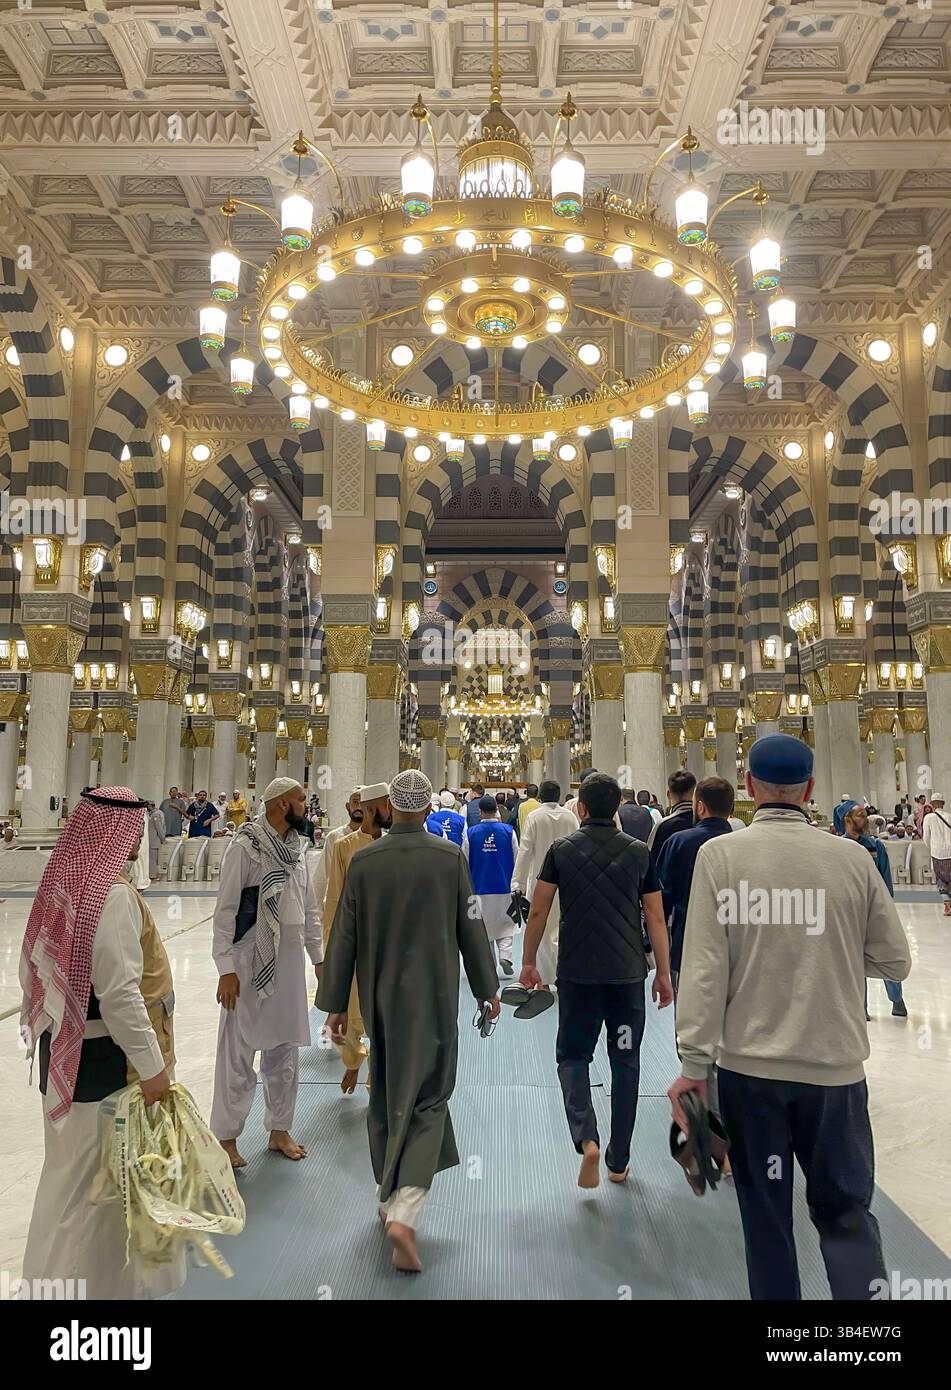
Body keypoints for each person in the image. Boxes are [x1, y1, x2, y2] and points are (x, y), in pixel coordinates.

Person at [668, 734, 911, 1301]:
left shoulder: (721, 856)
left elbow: (705, 969)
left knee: (768, 1220)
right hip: (835, 1074)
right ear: (811, 789)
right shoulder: (850, 858)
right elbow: (894, 958)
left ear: (750, 788)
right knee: (847, 1214)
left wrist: (694, 1067)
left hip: (752, 1075)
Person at [321, 768, 500, 1274]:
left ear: (389, 808)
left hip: (380, 1001)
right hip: (436, 997)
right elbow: (471, 924)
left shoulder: (366, 862)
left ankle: (388, 1193)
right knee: (429, 1101)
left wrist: (336, 1003)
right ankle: (405, 1211)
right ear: (425, 810)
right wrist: (487, 988)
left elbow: (344, 936)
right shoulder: (449, 858)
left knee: (386, 1093)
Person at [19, 786, 182, 1298]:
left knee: (69, 1182)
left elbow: (34, 974)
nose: (137, 837)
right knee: (90, 1196)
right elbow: (121, 998)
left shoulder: (63, 885)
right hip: (104, 1066)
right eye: (132, 828)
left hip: (65, 1056)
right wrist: (154, 1071)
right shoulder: (110, 898)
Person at [520, 773, 672, 1188]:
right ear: (617, 808)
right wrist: (662, 971)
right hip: (625, 977)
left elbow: (539, 910)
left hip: (577, 973)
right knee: (625, 1061)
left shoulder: (562, 851)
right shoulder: (639, 852)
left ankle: (586, 1137)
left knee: (573, 1056)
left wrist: (529, 961)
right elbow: (655, 917)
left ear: (581, 809)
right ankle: (619, 1160)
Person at [210, 777, 321, 1168]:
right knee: (238, 1054)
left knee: (284, 1050)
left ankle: (279, 1129)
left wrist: (318, 958)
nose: (306, 807)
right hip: (246, 963)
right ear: (280, 805)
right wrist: (225, 969)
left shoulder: (298, 850)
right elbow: (224, 911)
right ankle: (226, 1137)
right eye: (301, 800)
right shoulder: (246, 847)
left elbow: (309, 911)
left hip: (288, 966)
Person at [321, 783, 392, 1093]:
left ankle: (377, 1077)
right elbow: (334, 899)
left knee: (385, 1015)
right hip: (354, 943)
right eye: (388, 805)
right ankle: (353, 1061)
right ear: (372, 808)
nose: (393, 811)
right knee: (350, 1016)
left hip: (387, 945)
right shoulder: (344, 846)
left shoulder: (393, 846)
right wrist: (330, 949)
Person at [656, 776, 735, 988]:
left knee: (689, 1012)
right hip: (735, 945)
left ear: (700, 807)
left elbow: (661, 902)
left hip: (688, 941)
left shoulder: (678, 842)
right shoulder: (742, 843)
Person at [834, 798, 908, 1019]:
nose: (865, 817)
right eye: (859, 814)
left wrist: (887, 909)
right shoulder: (837, 849)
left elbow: (885, 881)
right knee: (854, 961)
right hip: (850, 914)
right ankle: (861, 1006)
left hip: (875, 912)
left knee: (884, 954)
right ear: (846, 820)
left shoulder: (876, 847)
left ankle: (897, 1000)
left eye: (864, 813)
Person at [511, 779, 577, 989]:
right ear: (558, 796)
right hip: (568, 881)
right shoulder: (570, 816)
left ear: (539, 796)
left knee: (539, 928)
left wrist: (517, 883)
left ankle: (543, 981)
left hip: (540, 882)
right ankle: (563, 975)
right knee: (564, 928)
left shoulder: (534, 817)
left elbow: (525, 851)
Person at [464, 794, 517, 975]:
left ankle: (490, 962)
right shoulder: (509, 832)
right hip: (504, 884)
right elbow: (517, 858)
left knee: (483, 928)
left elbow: (464, 859)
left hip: (478, 887)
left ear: (480, 812)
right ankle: (506, 955)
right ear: (496, 810)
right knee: (506, 923)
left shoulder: (470, 833)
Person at [311, 788, 364, 945]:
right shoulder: (335, 837)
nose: (359, 807)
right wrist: (316, 919)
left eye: (362, 803)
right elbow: (322, 877)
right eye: (355, 802)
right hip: (337, 912)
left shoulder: (377, 839)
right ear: (348, 806)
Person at [922, 792, 951, 916]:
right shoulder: (949, 816)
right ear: (942, 804)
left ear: (932, 804)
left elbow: (926, 838)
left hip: (938, 853)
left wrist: (932, 848)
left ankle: (947, 906)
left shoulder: (928, 817)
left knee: (941, 879)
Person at [147, 800, 166, 878]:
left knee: (153, 859)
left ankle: (152, 875)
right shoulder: (153, 814)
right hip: (153, 840)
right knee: (153, 859)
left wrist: (162, 838)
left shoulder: (155, 815)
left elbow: (159, 828)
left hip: (154, 840)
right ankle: (152, 874)